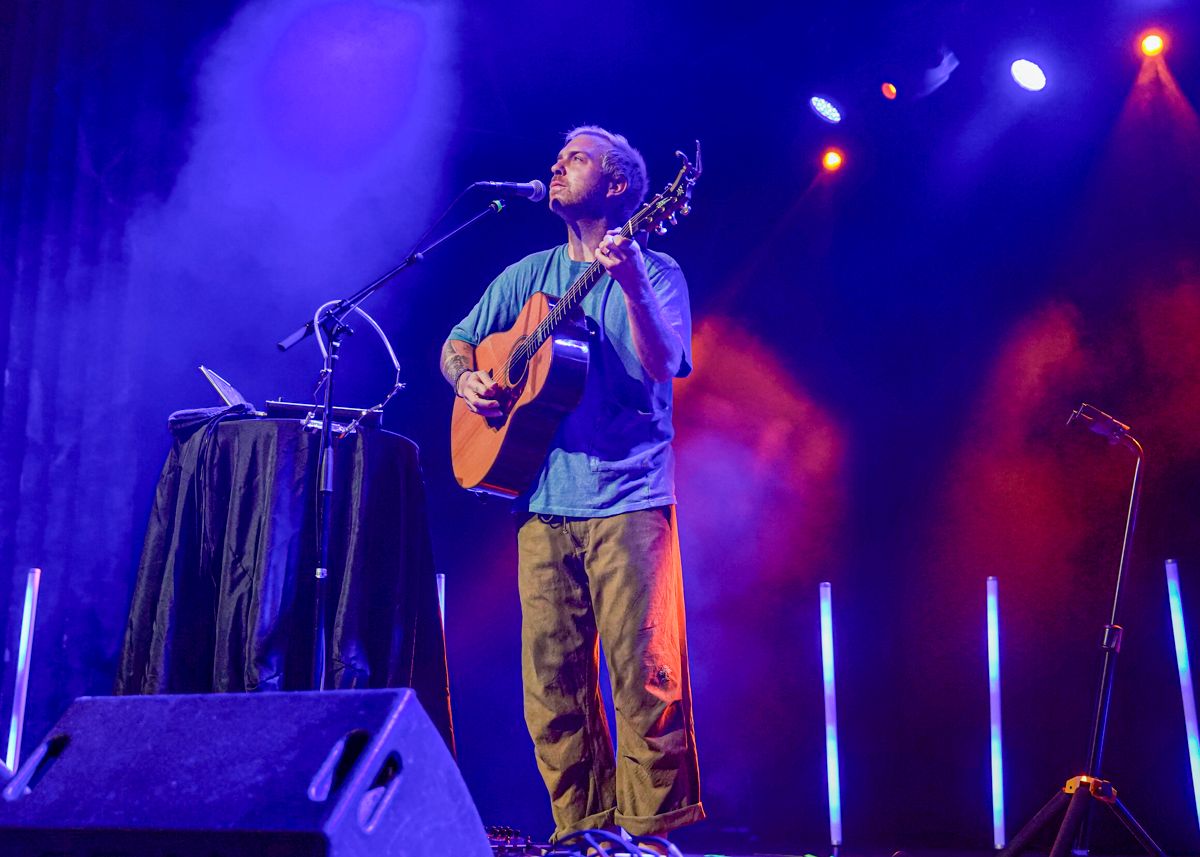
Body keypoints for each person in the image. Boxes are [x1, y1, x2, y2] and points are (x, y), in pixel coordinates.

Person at [440, 126, 703, 844]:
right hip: (540, 502)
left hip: (628, 499)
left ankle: (647, 840)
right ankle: (582, 835)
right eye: (557, 157)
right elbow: (457, 343)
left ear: (618, 187)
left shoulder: (657, 270)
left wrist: (630, 280)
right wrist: (467, 379)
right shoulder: (527, 275)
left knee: (644, 680)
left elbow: (664, 362)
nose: (556, 166)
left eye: (576, 158)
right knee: (552, 689)